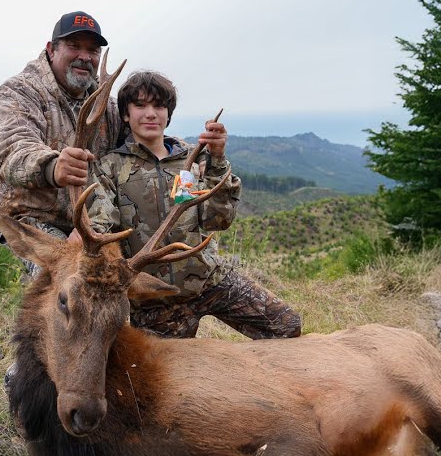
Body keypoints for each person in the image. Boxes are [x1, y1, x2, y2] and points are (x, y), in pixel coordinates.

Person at [86, 70, 303, 340]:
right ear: (126, 115)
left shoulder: (192, 158)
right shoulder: (109, 168)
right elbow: (102, 227)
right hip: (156, 301)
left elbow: (217, 220)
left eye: (159, 105)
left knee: (286, 326)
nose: (151, 113)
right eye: (140, 105)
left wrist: (217, 161)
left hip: (210, 280)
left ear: (168, 113)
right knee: (159, 381)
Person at [0, 10, 122, 279]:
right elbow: (9, 147)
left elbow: (135, 145)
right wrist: (52, 166)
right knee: (64, 278)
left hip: (87, 219)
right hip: (27, 216)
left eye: (92, 50)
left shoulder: (106, 104)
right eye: (74, 46)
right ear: (51, 49)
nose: (84, 56)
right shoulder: (19, 91)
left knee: (113, 280)